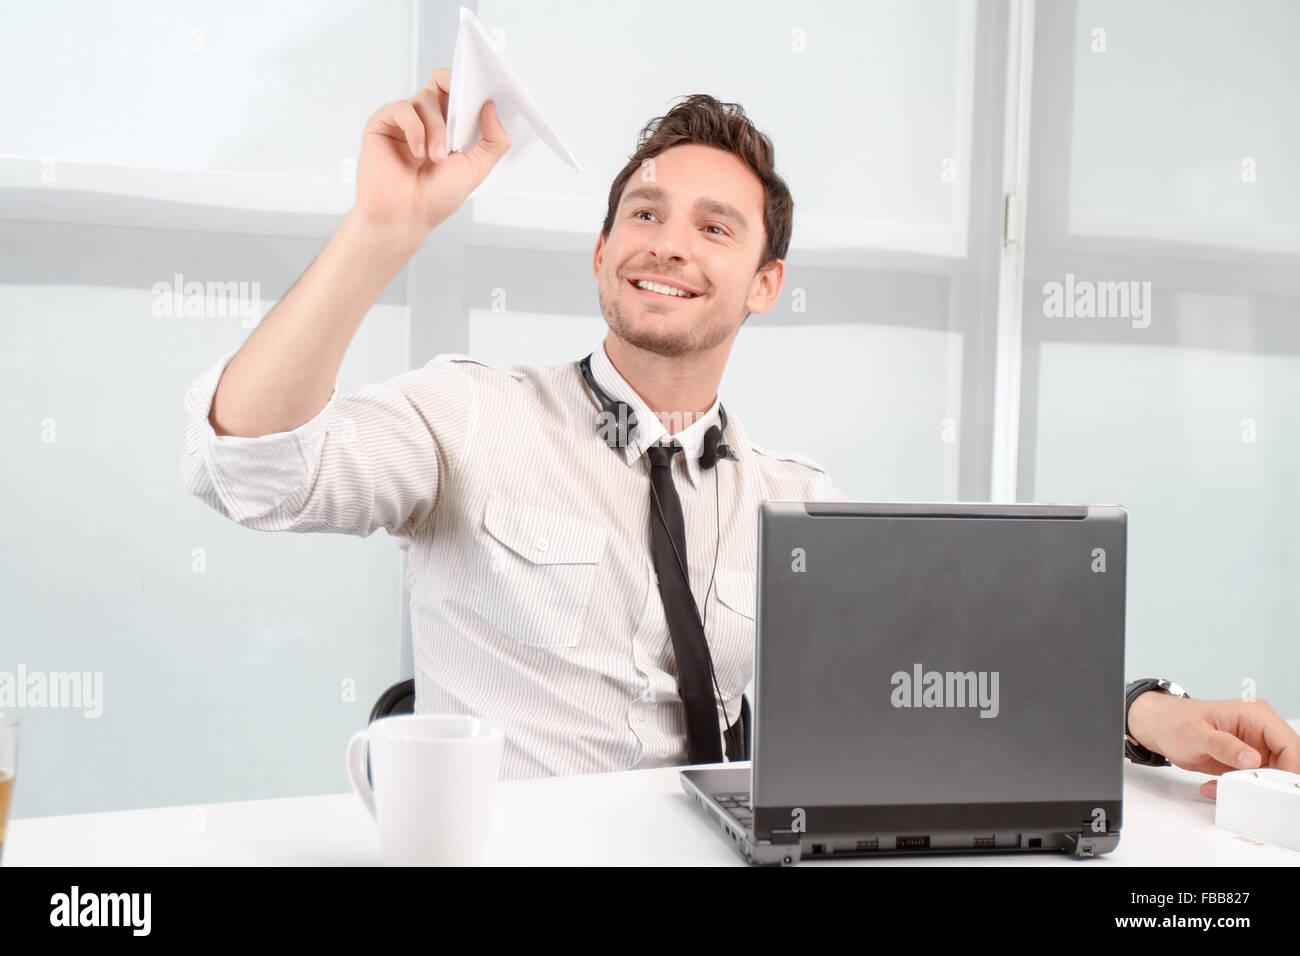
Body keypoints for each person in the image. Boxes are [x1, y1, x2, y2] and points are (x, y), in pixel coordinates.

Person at [180, 69, 1299, 792]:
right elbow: (252, 466)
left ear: (763, 283)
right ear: (601, 250)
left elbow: (964, 662)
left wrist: (1149, 711)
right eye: (643, 213)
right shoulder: (466, 415)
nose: (668, 242)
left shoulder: (796, 498)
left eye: (714, 227)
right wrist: (382, 229)